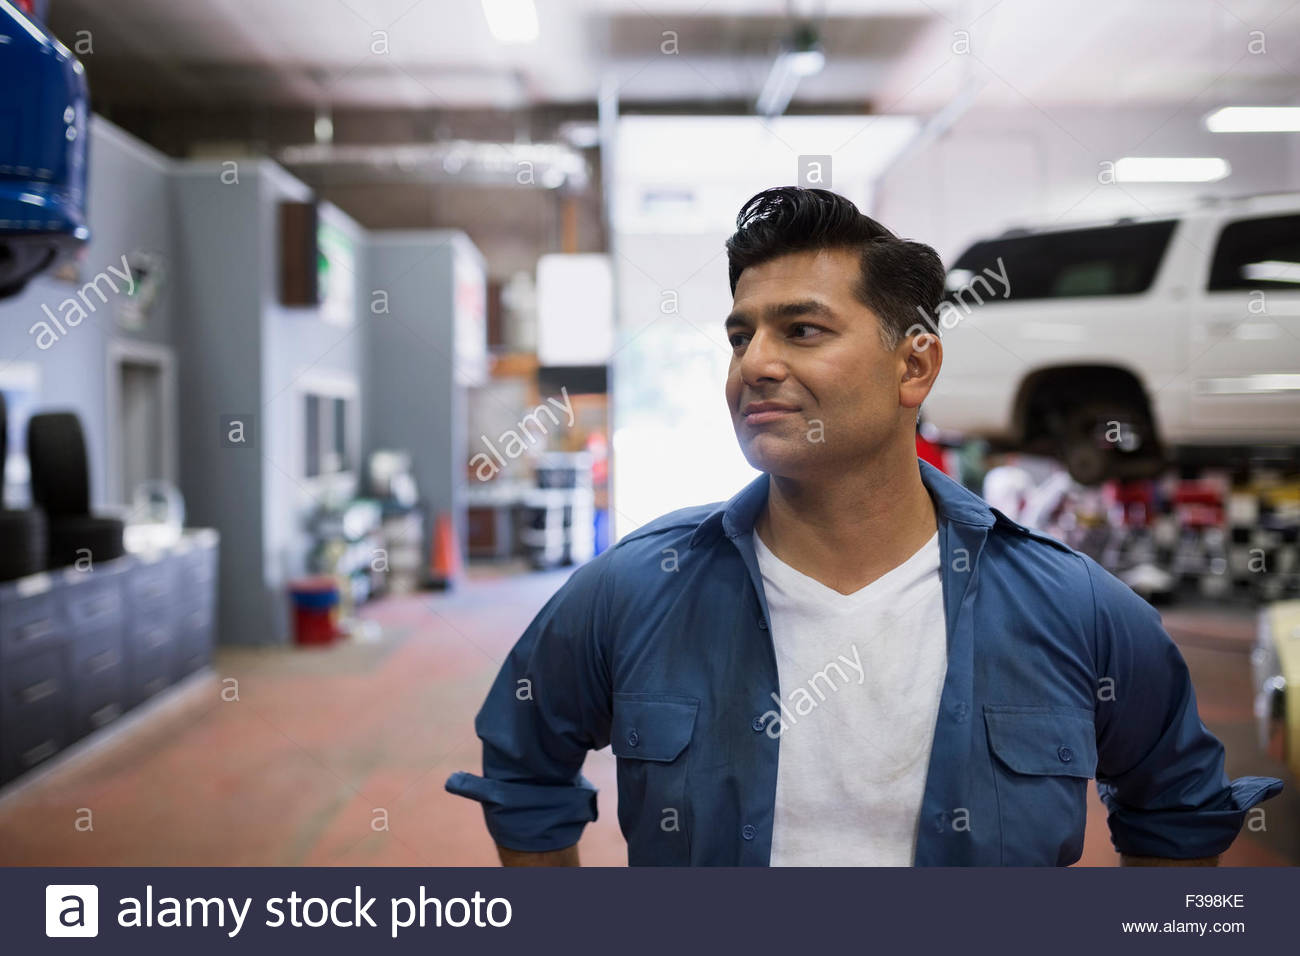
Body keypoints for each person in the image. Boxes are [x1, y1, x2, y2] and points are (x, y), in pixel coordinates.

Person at [445, 186, 1283, 866]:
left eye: (801, 330)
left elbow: (1177, 811)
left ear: (913, 365)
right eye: (741, 336)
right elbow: (524, 771)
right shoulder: (633, 592)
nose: (755, 363)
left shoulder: (1077, 613)